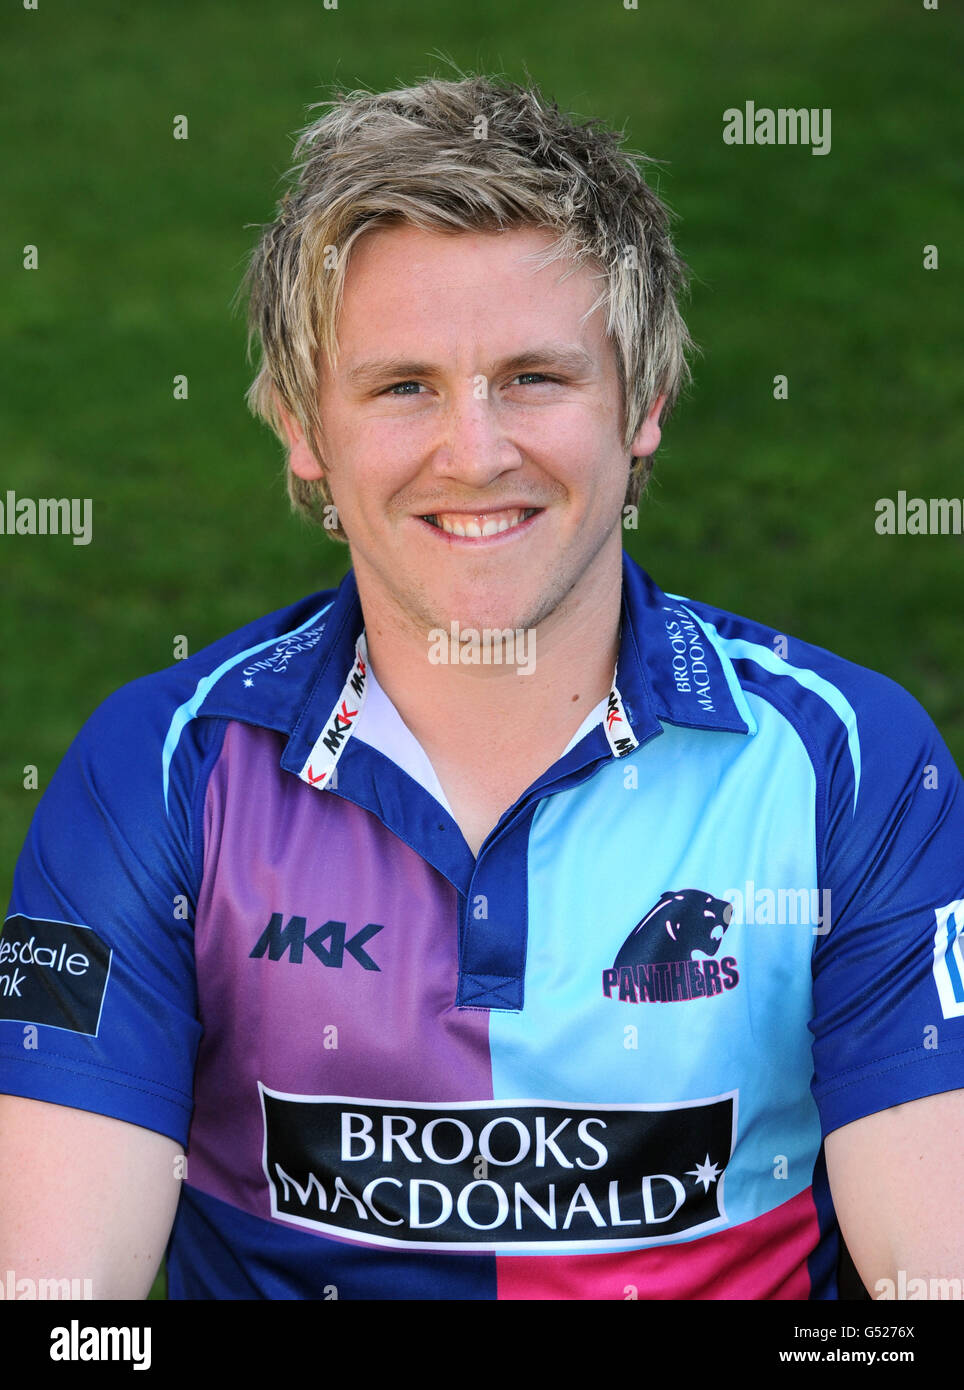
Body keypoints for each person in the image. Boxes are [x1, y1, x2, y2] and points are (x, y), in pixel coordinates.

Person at [1, 72, 962, 1302]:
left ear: (644, 403)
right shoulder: (161, 768)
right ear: (305, 429)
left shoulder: (847, 764)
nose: (475, 453)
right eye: (404, 386)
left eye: (533, 377)